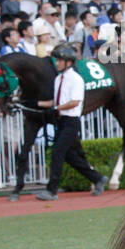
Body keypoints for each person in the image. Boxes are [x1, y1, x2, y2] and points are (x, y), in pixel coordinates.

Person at [32, 43, 107, 201]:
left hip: (71, 121)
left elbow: (75, 102)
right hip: (61, 121)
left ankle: (51, 190)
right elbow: (56, 100)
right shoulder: (58, 79)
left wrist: (56, 108)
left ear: (69, 62)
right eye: (56, 60)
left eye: (59, 60)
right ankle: (97, 178)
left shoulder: (76, 79)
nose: (56, 63)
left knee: (58, 152)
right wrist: (35, 103)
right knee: (70, 156)